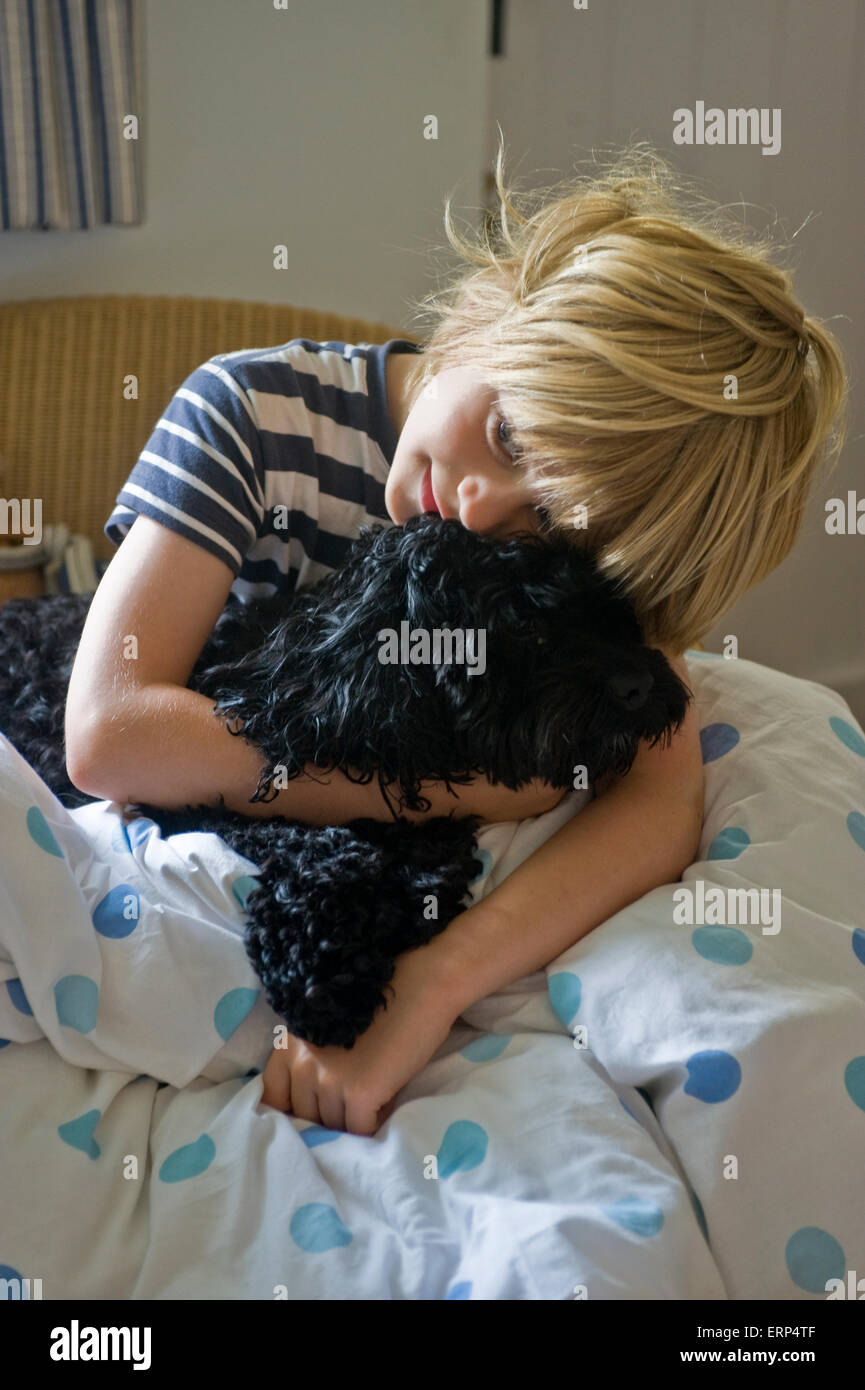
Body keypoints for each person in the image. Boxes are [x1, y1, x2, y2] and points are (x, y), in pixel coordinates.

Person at [64, 143, 847, 1136]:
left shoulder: (581, 559)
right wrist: (457, 787)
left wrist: (431, 987)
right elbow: (108, 734)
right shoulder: (250, 415)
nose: (479, 511)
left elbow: (660, 792)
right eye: (513, 436)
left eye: (554, 525)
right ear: (492, 307)